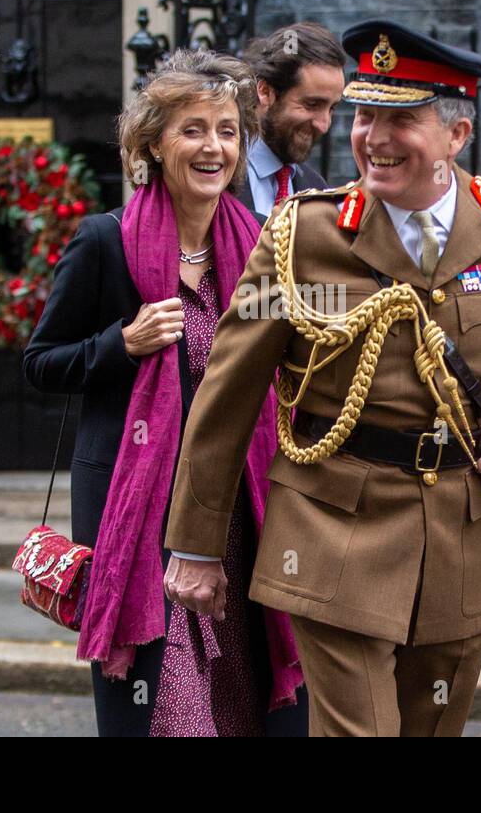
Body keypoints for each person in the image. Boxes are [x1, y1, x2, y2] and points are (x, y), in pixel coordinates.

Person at [161, 20, 481, 736]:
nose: (373, 138)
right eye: (364, 115)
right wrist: (193, 547)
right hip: (331, 526)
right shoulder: (301, 233)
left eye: (400, 120)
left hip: (458, 538)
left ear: (457, 136)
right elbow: (228, 391)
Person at [21, 48, 307, 737]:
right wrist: (119, 344)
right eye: (193, 129)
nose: (214, 146)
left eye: (228, 130)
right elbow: (39, 363)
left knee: (247, 696)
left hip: (242, 515)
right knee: (165, 706)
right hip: (141, 515)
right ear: (154, 142)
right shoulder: (106, 244)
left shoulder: (266, 247)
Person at [233, 21, 347, 223]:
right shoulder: (215, 176)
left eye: (332, 108)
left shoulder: (318, 190)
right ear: (265, 91)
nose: (324, 125)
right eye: (312, 104)